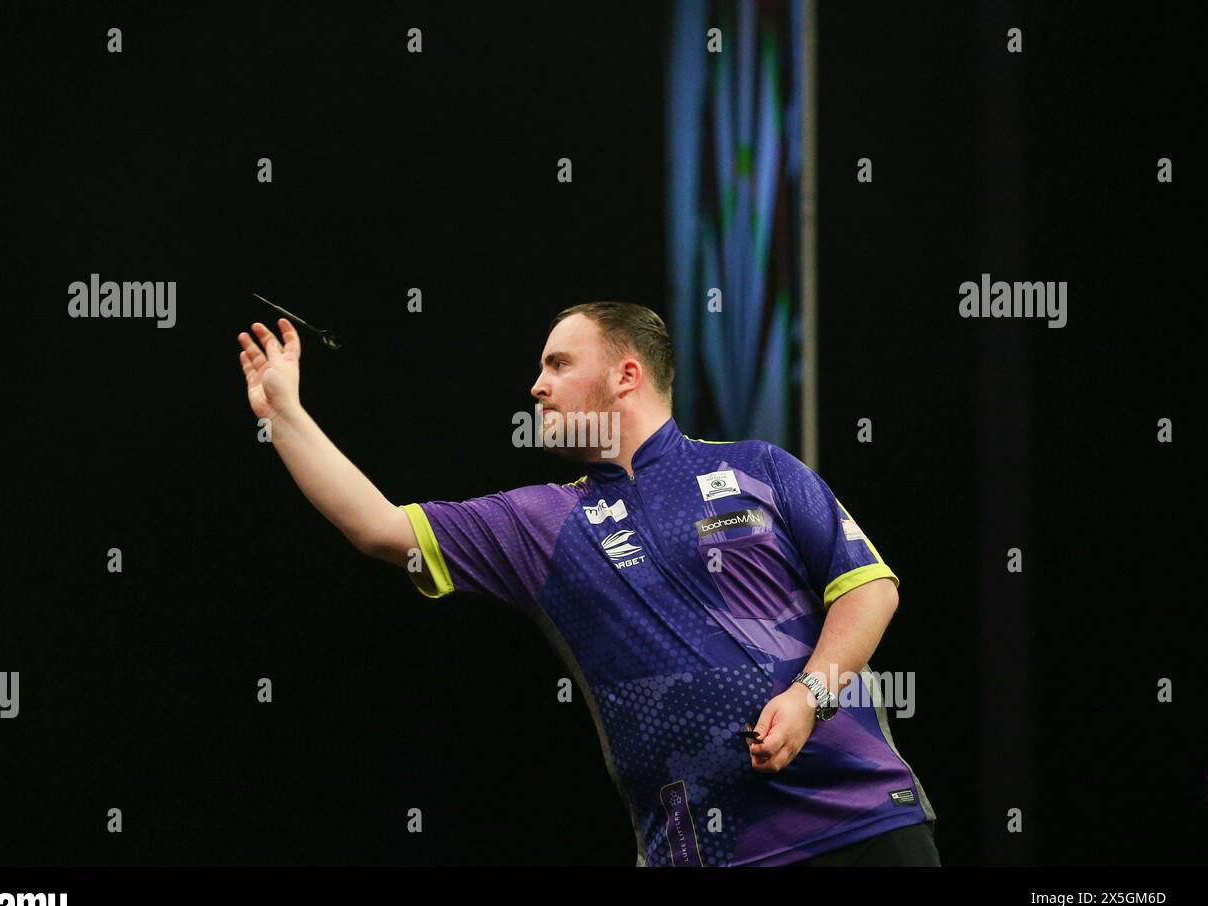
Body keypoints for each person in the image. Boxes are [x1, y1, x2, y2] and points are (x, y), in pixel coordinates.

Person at [237, 301, 940, 866]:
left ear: (625, 375)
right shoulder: (537, 522)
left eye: (558, 363)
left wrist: (810, 696)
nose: (536, 386)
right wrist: (287, 416)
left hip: (862, 824)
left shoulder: (762, 467)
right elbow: (379, 528)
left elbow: (869, 589)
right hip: (705, 852)